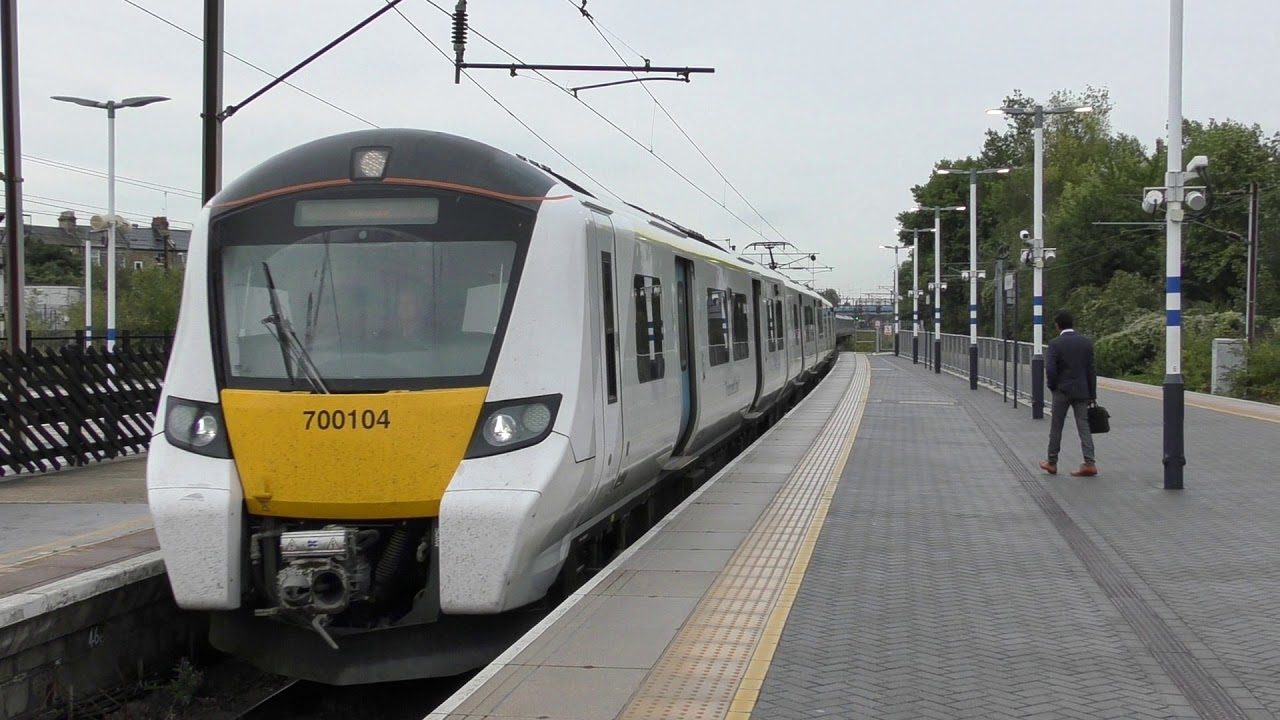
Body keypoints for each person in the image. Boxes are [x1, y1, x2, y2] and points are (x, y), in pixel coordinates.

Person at [1040, 309, 1098, 477]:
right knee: (1084, 426)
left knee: (1056, 427)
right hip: (1082, 391)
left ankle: (1051, 462)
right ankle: (1089, 463)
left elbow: (1050, 369)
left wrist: (1052, 386)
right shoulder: (1086, 343)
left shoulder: (1055, 344)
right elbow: (1091, 370)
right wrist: (1092, 394)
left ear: (1058, 325)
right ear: (1073, 324)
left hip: (1062, 391)